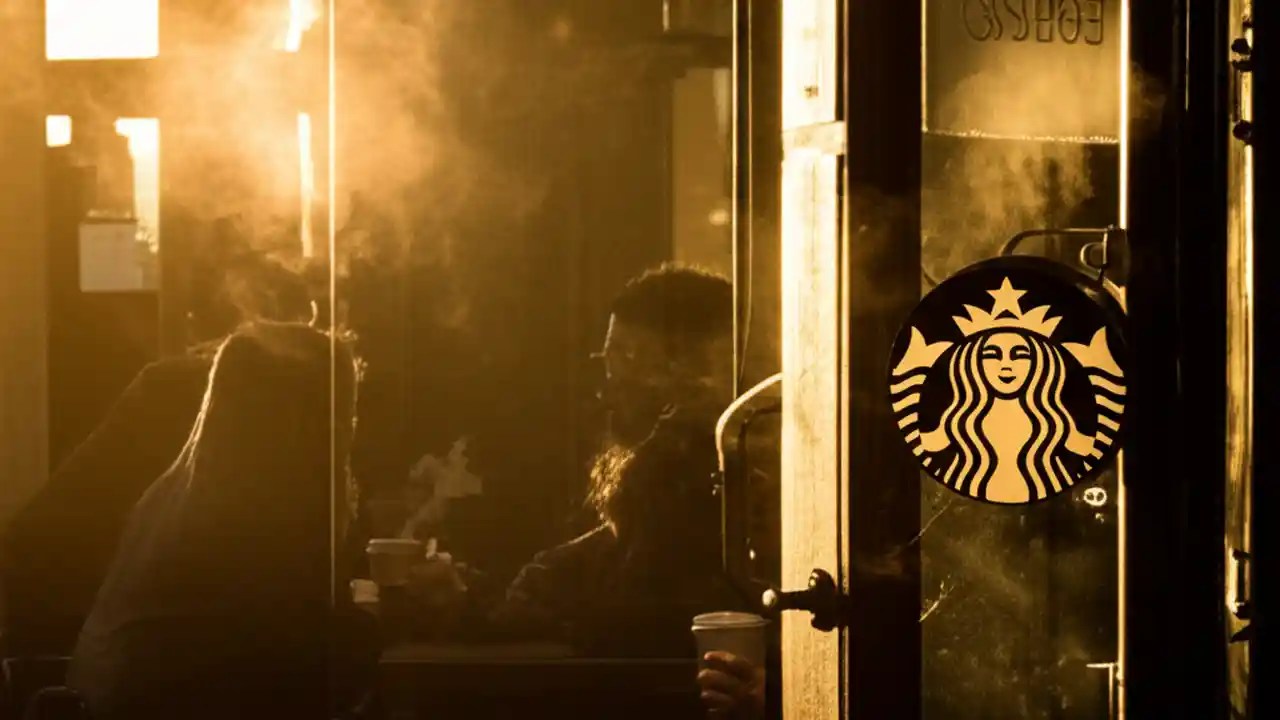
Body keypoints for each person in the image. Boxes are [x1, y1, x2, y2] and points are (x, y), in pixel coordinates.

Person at [0, 251, 317, 657]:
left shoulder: (190, 384)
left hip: (65, 592)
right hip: (69, 603)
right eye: (305, 335)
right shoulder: (200, 390)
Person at [66, 322, 370, 720]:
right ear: (301, 422)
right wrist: (385, 620)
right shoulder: (256, 517)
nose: (347, 433)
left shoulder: (176, 499)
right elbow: (315, 670)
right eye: (340, 415)